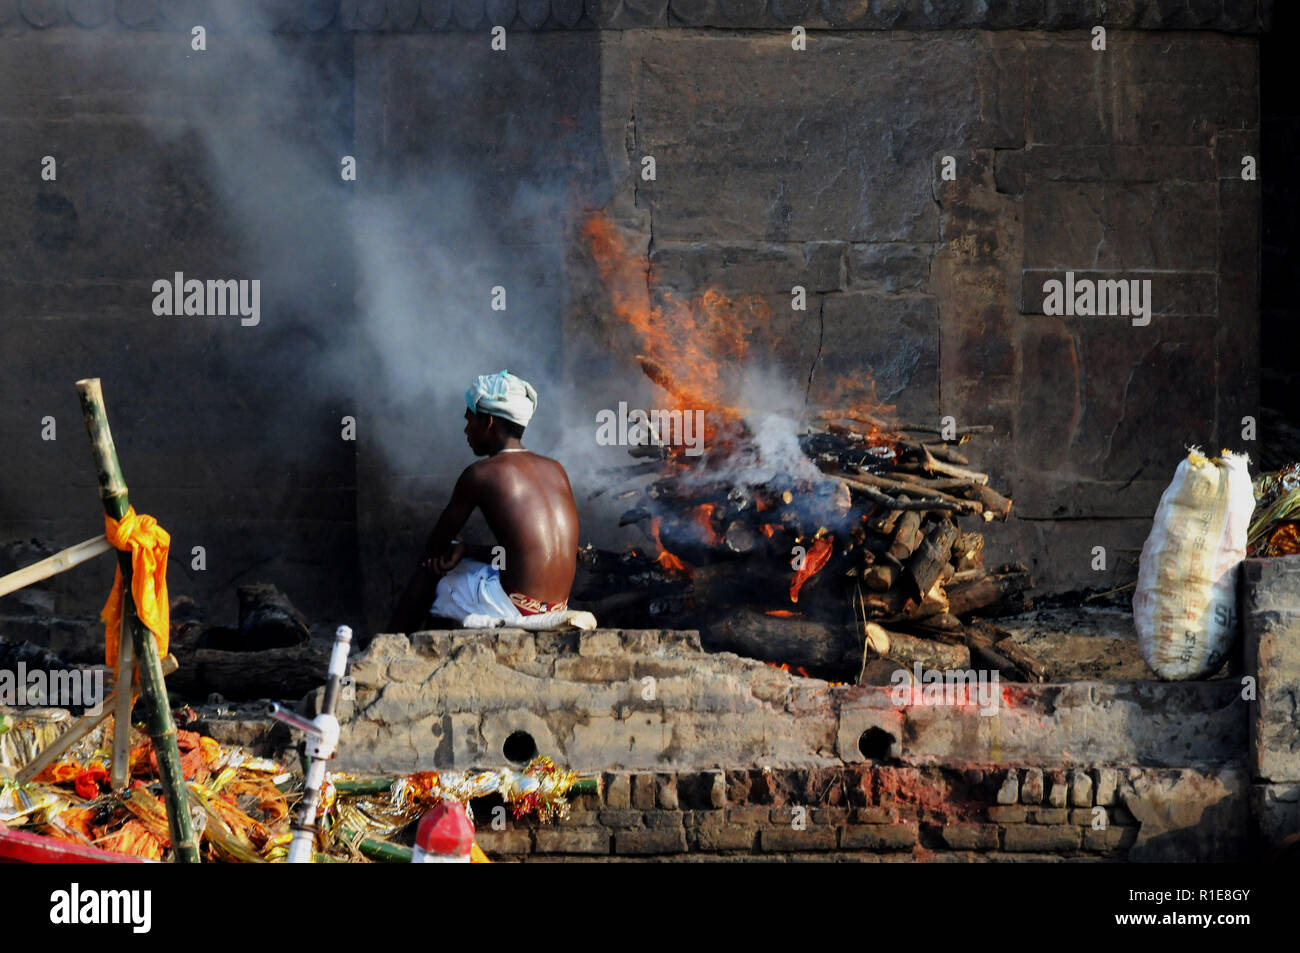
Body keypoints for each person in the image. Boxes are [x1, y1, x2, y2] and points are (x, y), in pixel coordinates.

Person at [386, 370, 580, 632]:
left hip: (514, 606)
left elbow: (436, 544)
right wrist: (467, 551)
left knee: (434, 566)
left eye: (469, 420)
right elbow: (529, 553)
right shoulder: (556, 469)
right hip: (557, 607)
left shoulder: (481, 474)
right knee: (456, 562)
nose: (466, 429)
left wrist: (450, 551)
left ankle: (389, 644)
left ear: (489, 422)